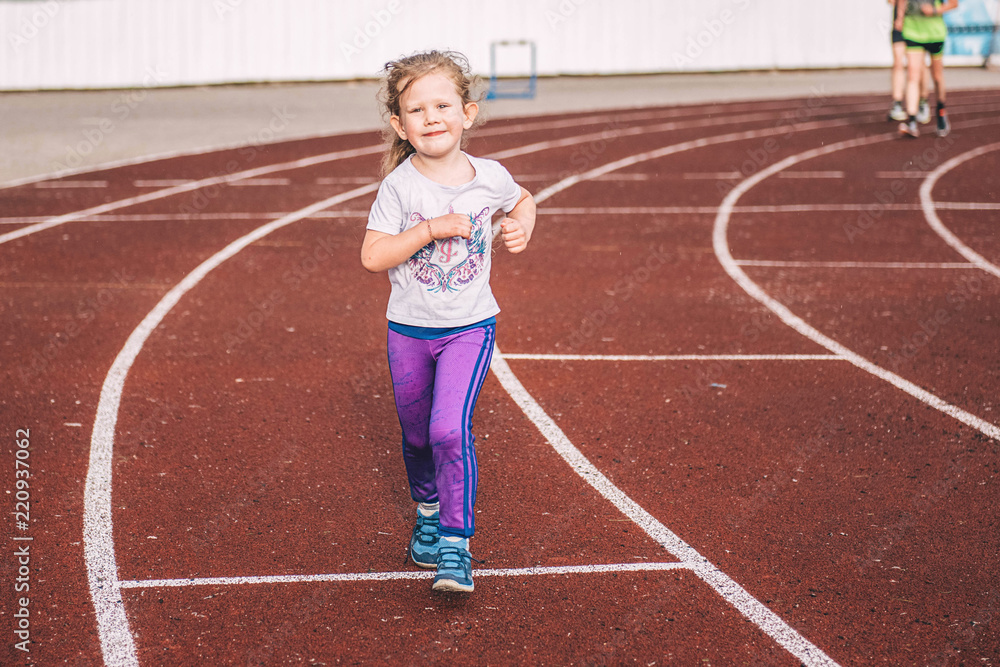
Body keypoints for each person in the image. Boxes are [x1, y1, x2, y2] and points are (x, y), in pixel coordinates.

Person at [361, 50, 536, 593]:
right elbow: (373, 255)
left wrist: (521, 225)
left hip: (469, 327)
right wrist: (429, 229)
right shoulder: (399, 187)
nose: (431, 117)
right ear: (400, 125)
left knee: (447, 429)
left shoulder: (491, 176)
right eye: (417, 110)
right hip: (408, 331)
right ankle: (429, 513)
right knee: (417, 437)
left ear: (468, 113)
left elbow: (522, 199)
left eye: (442, 105)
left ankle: (456, 545)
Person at [896, 0, 960, 138]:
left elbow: (954, 3)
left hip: (934, 34)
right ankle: (912, 121)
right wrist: (899, 18)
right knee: (912, 75)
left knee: (937, 77)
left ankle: (941, 111)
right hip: (912, 31)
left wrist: (934, 10)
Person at [888, 0, 931, 123]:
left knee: (919, 65)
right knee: (898, 62)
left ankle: (923, 101)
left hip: (917, 25)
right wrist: (900, 14)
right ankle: (897, 103)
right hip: (900, 24)